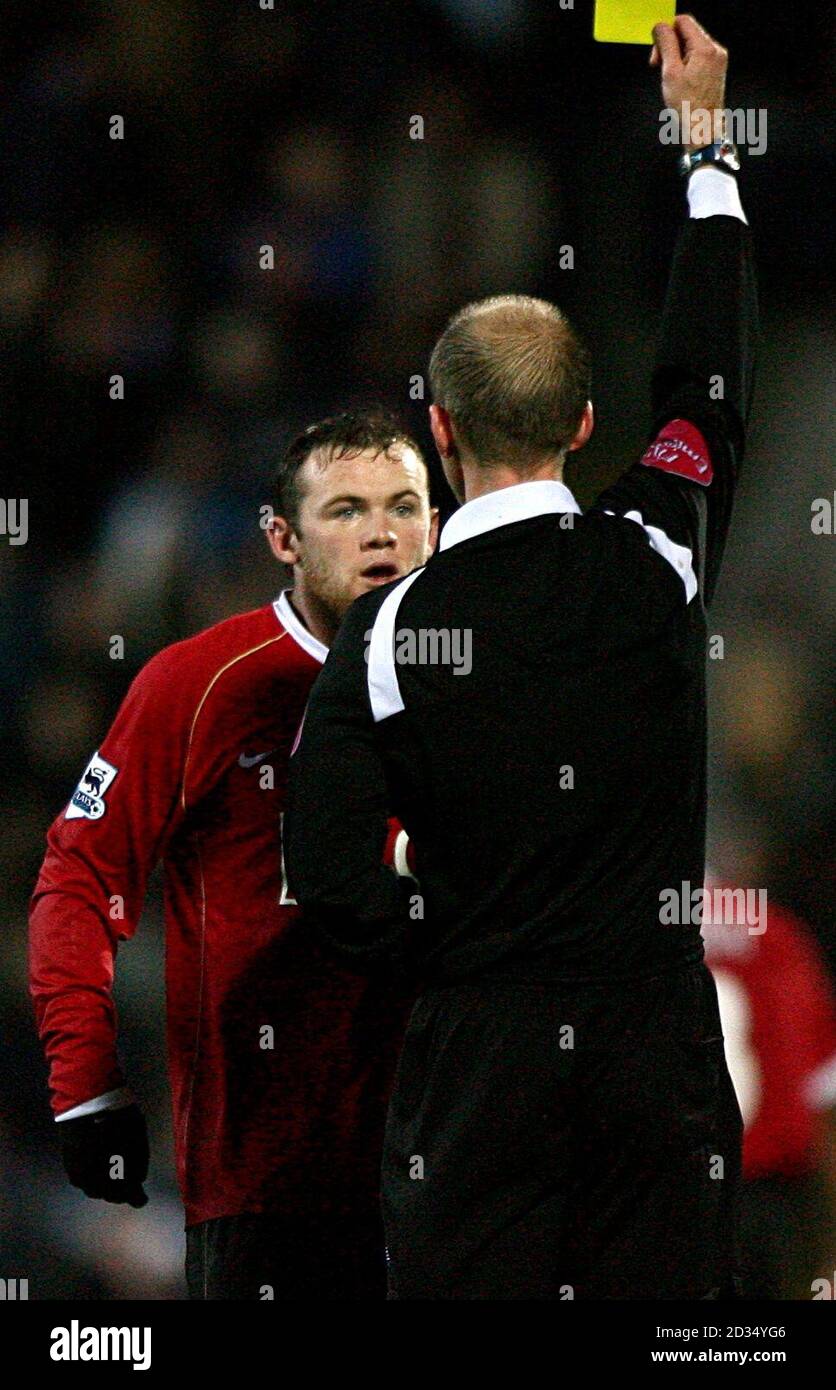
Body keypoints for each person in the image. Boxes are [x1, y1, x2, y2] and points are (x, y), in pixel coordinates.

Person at [284, 17, 758, 1298]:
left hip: (478, 1079)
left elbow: (326, 878)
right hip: (653, 1064)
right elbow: (708, 386)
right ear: (587, 424)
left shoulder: (383, 634)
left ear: (437, 433)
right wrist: (704, 145)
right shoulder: (657, 551)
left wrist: (452, 952)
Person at [29, 408, 438, 1299]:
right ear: (282, 539)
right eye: (347, 510)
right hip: (270, 1191)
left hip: (455, 1175)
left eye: (405, 506)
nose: (382, 533)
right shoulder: (202, 684)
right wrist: (87, 1084)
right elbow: (78, 878)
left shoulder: (479, 687)